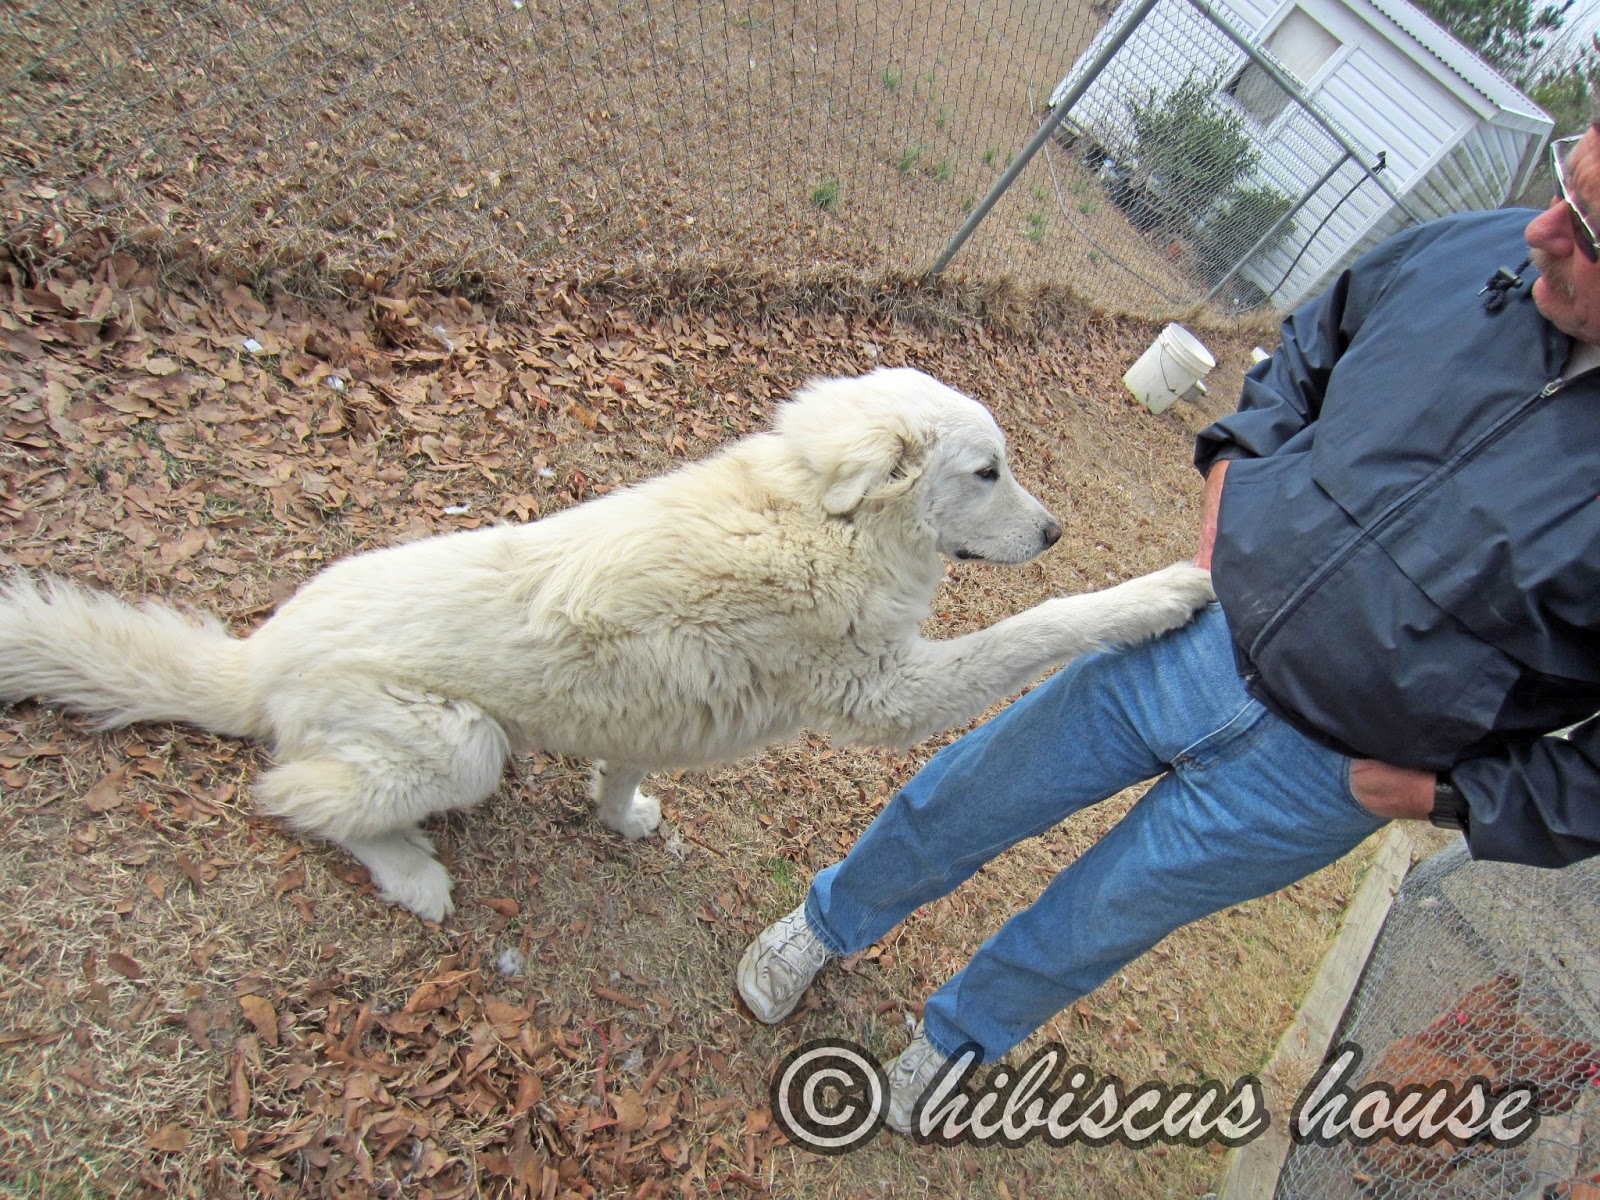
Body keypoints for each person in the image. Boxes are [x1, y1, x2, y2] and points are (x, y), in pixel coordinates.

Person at [736, 114, 1600, 1133]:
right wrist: (1233, 470)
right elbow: (1310, 348)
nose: (1540, 230)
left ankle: (956, 1040)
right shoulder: (1472, 252)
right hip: (1189, 638)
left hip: (1325, 778)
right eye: (1565, 185)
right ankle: (830, 918)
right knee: (971, 795)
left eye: (1589, 230)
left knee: (1101, 917)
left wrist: (1451, 793)